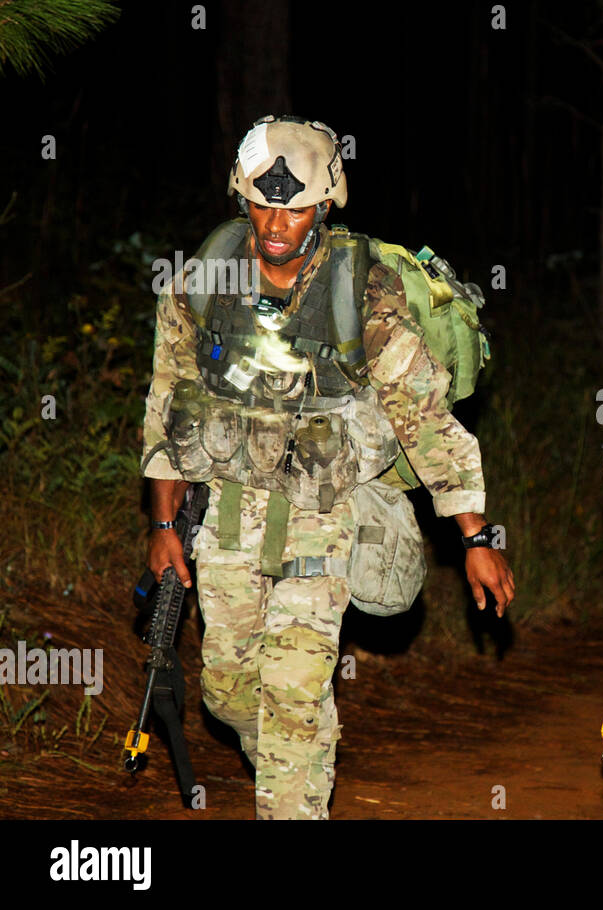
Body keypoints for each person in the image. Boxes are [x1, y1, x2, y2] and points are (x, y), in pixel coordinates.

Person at [141, 114, 514, 819]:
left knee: (291, 697)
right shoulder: (201, 284)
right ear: (241, 195)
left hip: (324, 518)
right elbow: (168, 406)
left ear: (325, 204)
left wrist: (473, 536)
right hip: (225, 518)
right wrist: (163, 525)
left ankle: (294, 778)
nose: (278, 221)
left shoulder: (362, 291)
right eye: (264, 202)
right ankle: (304, 748)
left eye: (297, 205)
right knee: (226, 692)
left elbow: (424, 417)